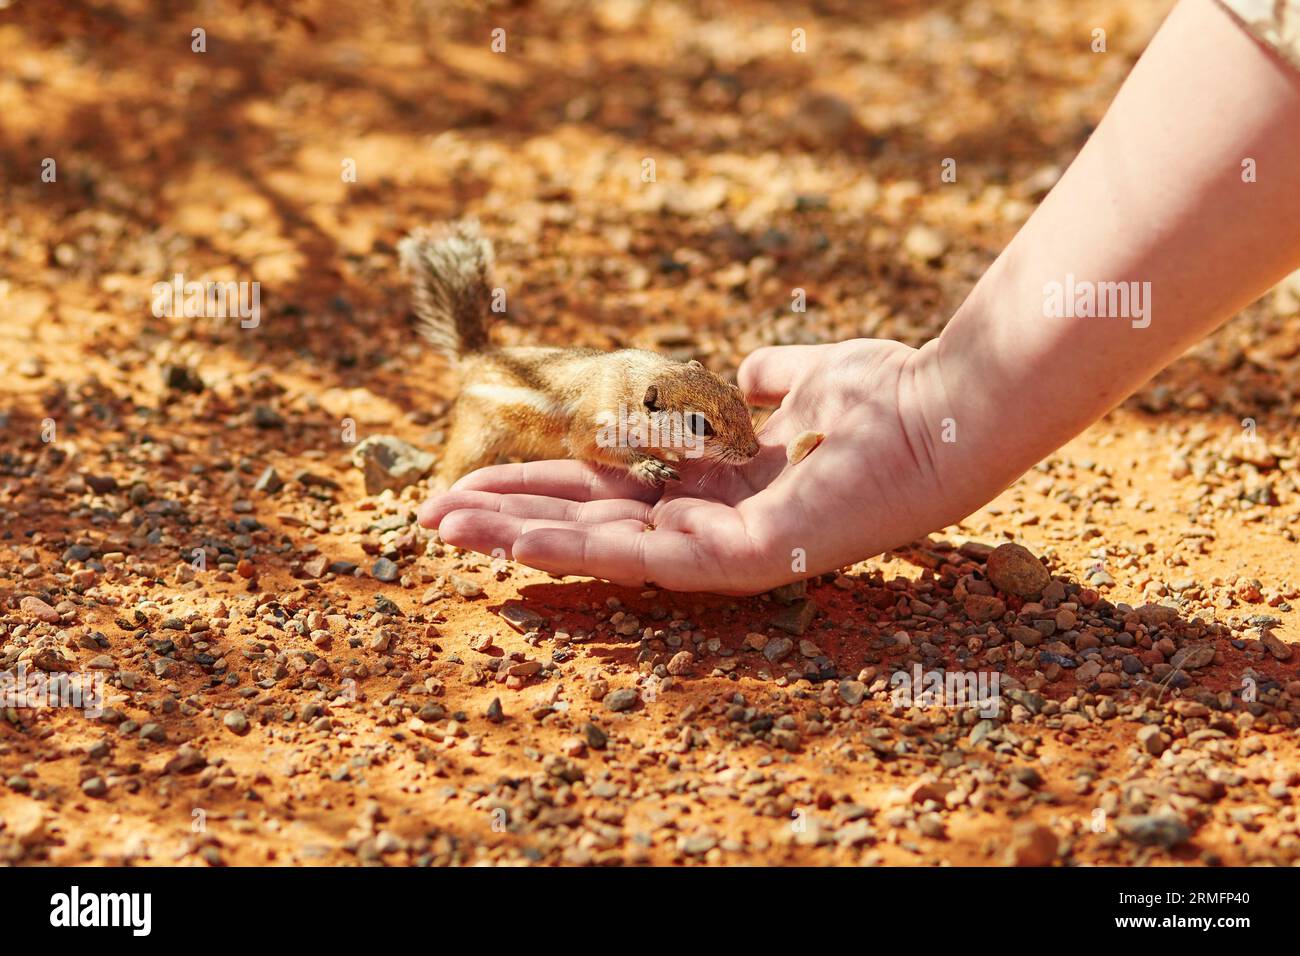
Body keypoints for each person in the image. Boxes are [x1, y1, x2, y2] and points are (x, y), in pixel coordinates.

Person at [418, 0, 1300, 595]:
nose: (733, 447)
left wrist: (934, 429)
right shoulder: (613, 410)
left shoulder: (657, 394)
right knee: (477, 450)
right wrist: (934, 419)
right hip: (514, 401)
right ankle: (426, 499)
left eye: (731, 428)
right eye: (707, 434)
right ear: (653, 405)